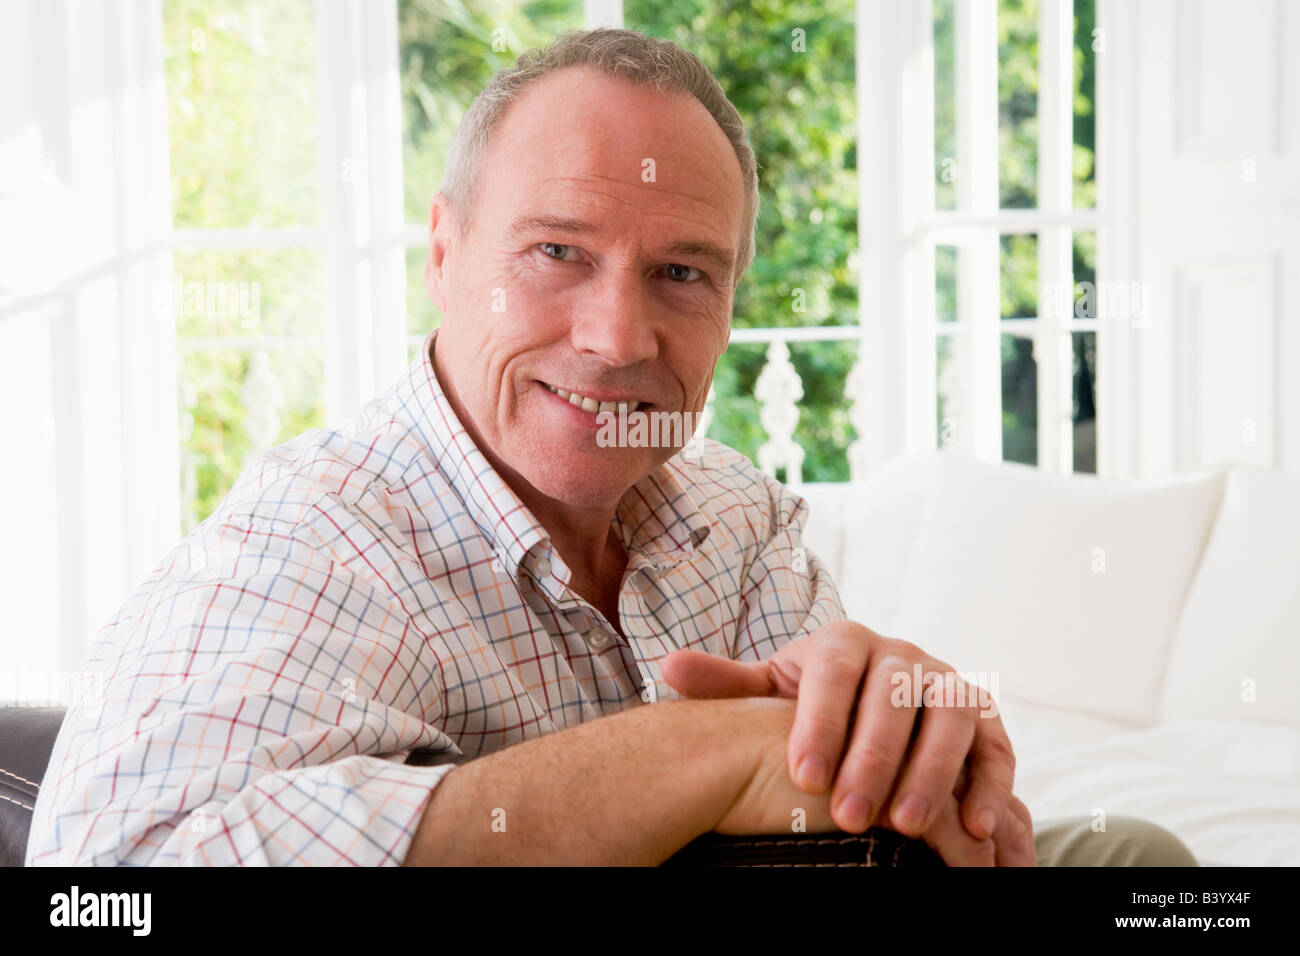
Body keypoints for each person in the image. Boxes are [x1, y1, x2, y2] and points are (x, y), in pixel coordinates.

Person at [26, 27, 1194, 867]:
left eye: (681, 272)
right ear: (444, 251)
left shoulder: (735, 514)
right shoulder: (314, 539)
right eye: (556, 252)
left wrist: (913, 751)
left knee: (1134, 855)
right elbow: (111, 871)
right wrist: (688, 757)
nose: (618, 334)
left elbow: (822, 813)